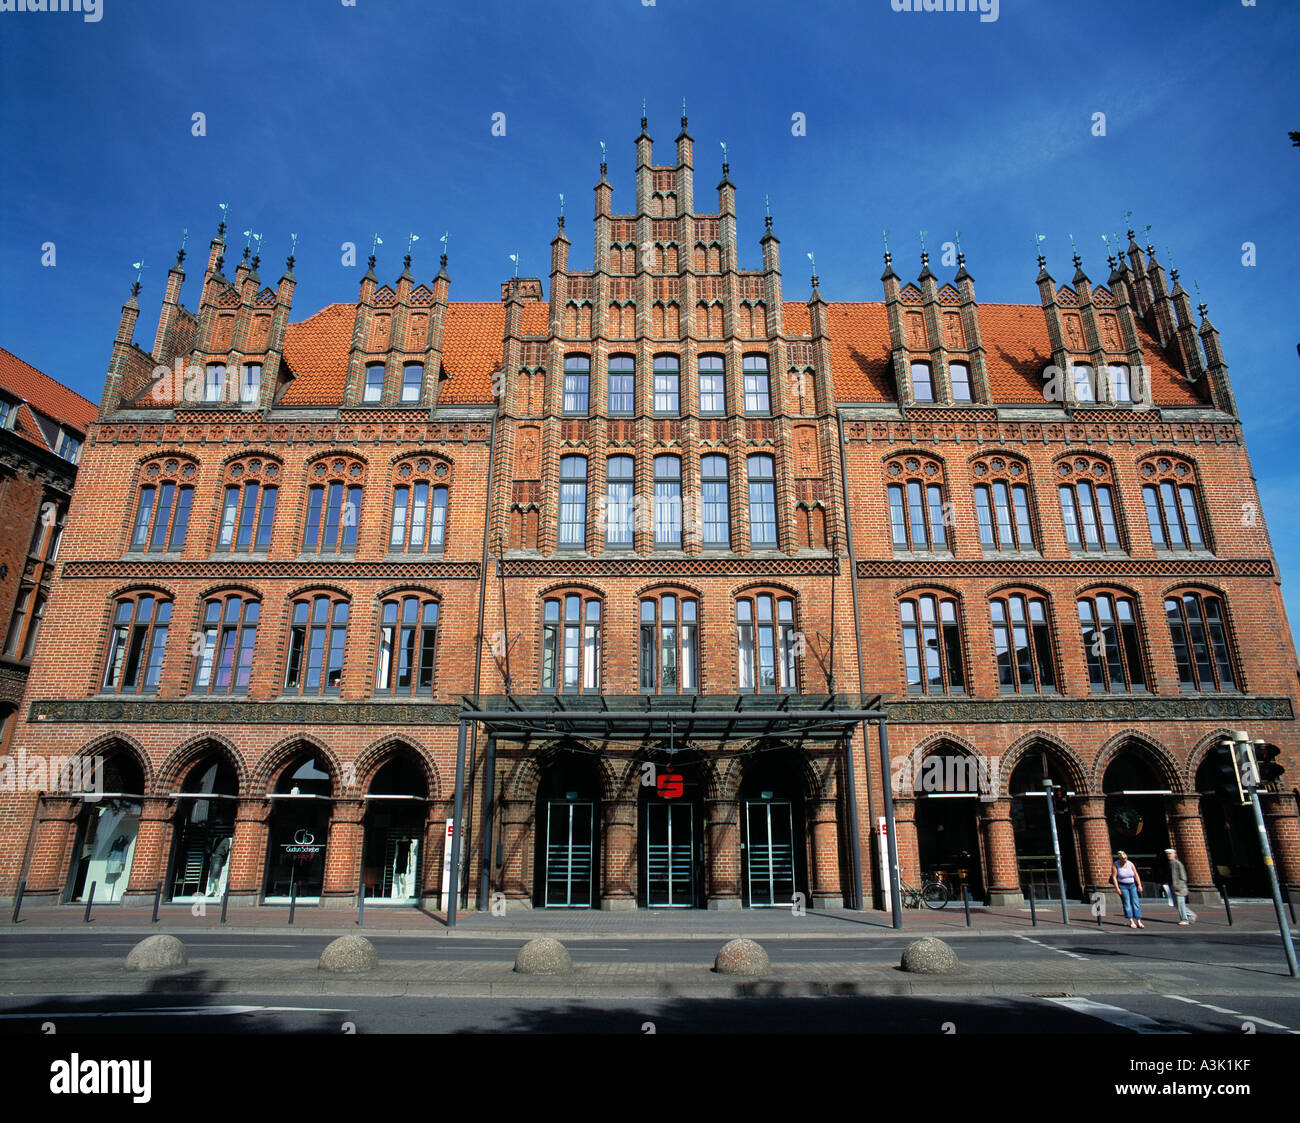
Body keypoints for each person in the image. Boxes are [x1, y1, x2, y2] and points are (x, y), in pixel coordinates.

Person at [1110, 850, 1144, 928]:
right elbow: (1114, 877)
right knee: (1127, 903)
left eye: (1126, 859)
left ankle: (1139, 920)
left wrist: (1139, 885)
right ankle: (1131, 920)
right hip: (1123, 886)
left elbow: (1136, 874)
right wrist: (1117, 887)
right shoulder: (1116, 865)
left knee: (1136, 902)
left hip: (1132, 885)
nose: (1125, 861)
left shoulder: (1130, 863)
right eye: (1123, 859)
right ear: (1120, 859)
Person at [1165, 847, 1197, 925]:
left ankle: (1185, 920)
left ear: (1174, 855)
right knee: (1176, 904)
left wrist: (1179, 886)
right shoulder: (1170, 863)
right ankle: (1192, 915)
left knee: (1180, 904)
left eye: (1170, 854)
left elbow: (1183, 877)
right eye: (1167, 854)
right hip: (1172, 886)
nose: (1169, 856)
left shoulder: (1177, 863)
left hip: (1179, 888)